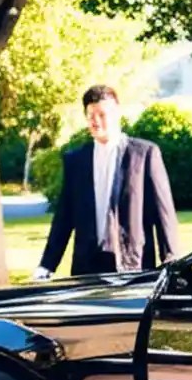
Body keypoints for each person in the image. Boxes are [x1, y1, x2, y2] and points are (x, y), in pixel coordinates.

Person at [33, 85, 180, 279]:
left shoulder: (144, 155)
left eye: (102, 114)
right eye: (91, 115)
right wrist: (47, 265)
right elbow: (64, 216)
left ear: (116, 114)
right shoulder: (76, 160)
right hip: (87, 267)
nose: (96, 121)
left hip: (132, 265)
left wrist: (171, 257)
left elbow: (163, 212)